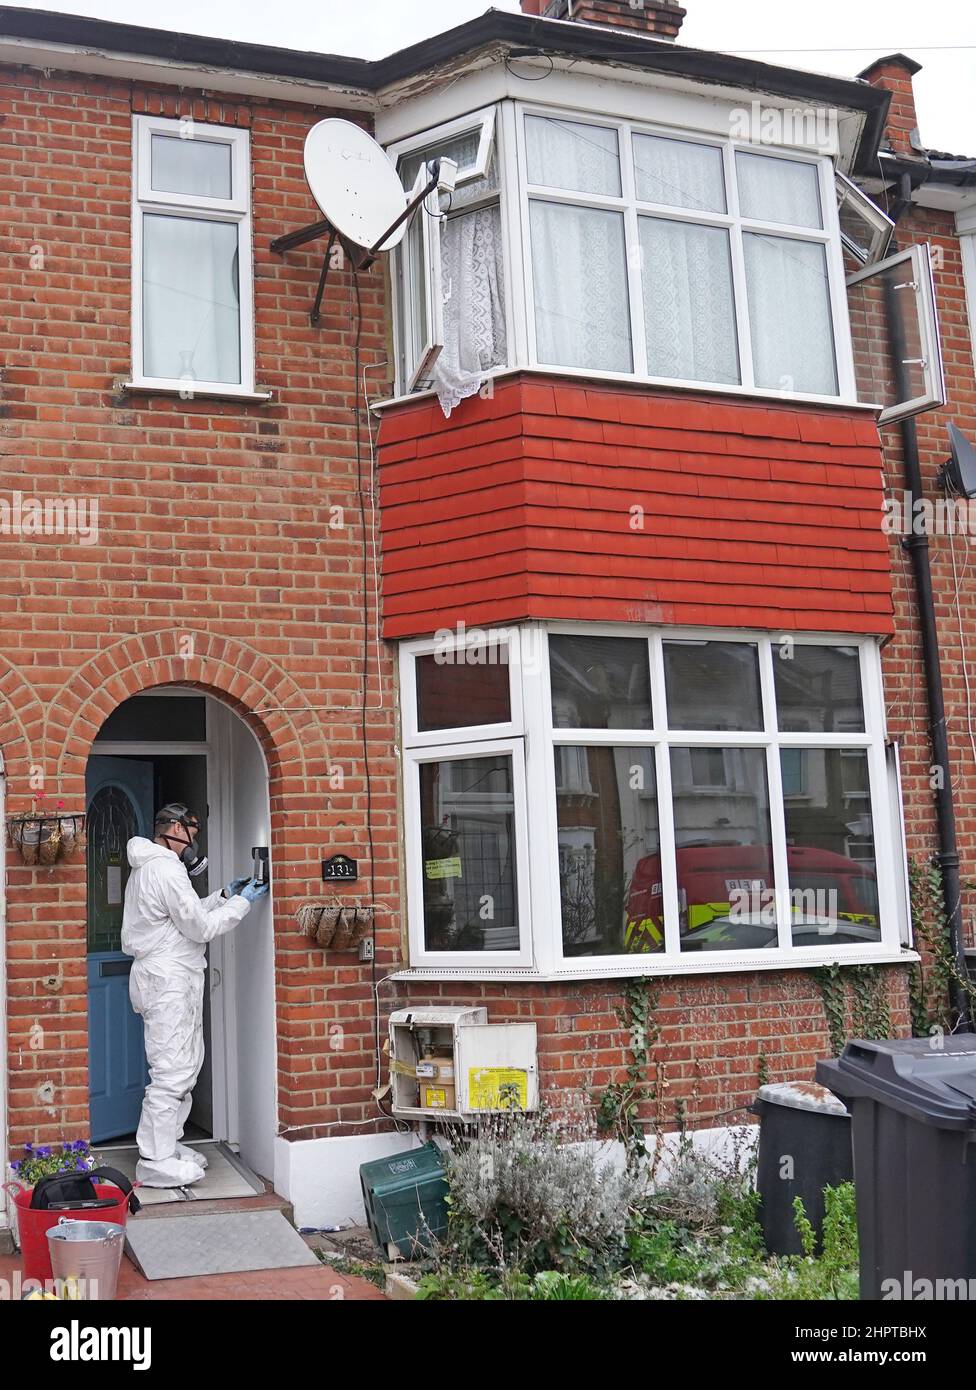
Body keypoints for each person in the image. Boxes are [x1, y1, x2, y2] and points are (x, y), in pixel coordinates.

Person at [121, 803, 269, 1187]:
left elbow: (179, 921)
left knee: (186, 1064)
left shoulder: (152, 867)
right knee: (172, 1071)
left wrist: (222, 895)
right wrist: (242, 904)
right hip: (167, 979)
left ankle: (169, 1145)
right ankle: (155, 1159)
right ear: (172, 827)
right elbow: (199, 929)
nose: (194, 838)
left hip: (171, 977)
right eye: (191, 828)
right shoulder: (165, 869)